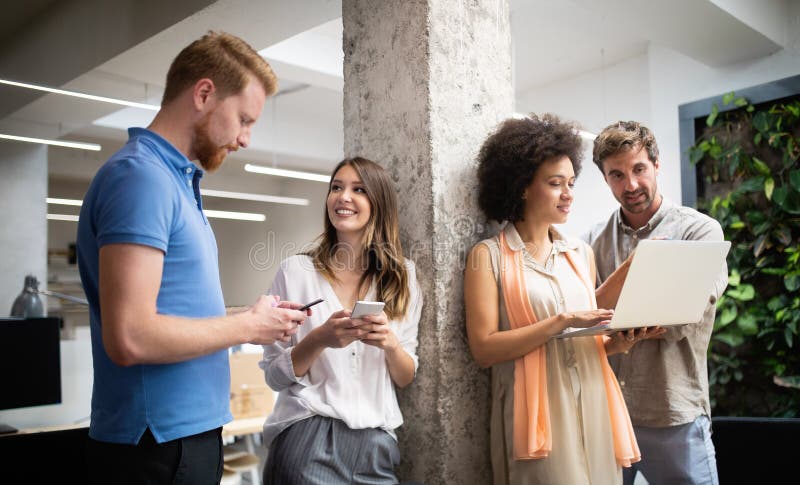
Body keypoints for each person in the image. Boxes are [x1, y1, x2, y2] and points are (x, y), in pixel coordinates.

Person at [76, 31, 308, 485]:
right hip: (155, 445)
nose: (245, 139)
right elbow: (130, 337)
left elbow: (171, 314)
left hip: (182, 438)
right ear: (204, 94)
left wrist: (250, 315)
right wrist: (245, 328)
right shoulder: (140, 179)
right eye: (243, 119)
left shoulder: (172, 181)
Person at [464, 113, 665, 485]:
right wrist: (561, 321)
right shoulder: (488, 256)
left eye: (571, 182)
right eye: (555, 183)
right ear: (522, 186)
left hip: (594, 401)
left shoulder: (580, 253)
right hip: (539, 415)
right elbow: (484, 349)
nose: (569, 194)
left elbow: (586, 344)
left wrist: (616, 343)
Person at [259, 157, 423, 484]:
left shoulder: (402, 277)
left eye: (358, 189)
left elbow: (405, 377)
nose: (343, 196)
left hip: (377, 445)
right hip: (308, 436)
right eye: (336, 187)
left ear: (379, 204)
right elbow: (275, 377)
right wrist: (319, 339)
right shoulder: (296, 272)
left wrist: (390, 344)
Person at [584, 120, 728, 485]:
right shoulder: (591, 242)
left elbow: (685, 314)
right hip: (609, 413)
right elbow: (583, 321)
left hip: (673, 412)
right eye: (617, 175)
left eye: (639, 169)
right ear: (605, 179)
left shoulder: (699, 232)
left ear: (656, 164)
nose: (630, 185)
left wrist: (613, 321)